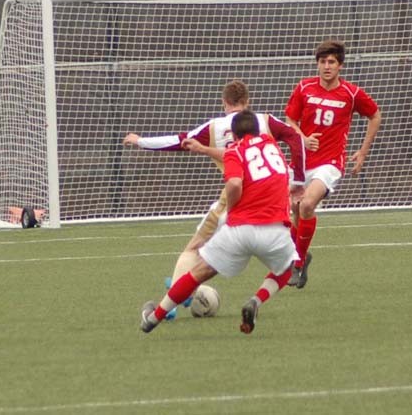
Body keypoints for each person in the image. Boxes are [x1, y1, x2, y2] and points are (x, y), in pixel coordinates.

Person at [123, 79, 304, 318]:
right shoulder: (265, 121)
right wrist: (298, 178)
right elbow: (295, 138)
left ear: (224, 103)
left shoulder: (215, 126)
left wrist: (141, 141)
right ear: (247, 102)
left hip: (231, 201)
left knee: (194, 248)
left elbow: (179, 141)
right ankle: (277, 277)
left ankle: (171, 305)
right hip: (270, 201)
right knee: (281, 255)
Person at [283, 39, 381, 288]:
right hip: (302, 162)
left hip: (330, 163)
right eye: (322, 62)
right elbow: (289, 119)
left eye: (331, 62)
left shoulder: (351, 93)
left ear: (340, 66)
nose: (326, 66)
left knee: (306, 205)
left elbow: (375, 115)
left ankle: (297, 262)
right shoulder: (304, 87)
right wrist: (303, 138)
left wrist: (362, 151)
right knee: (291, 210)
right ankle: (303, 255)